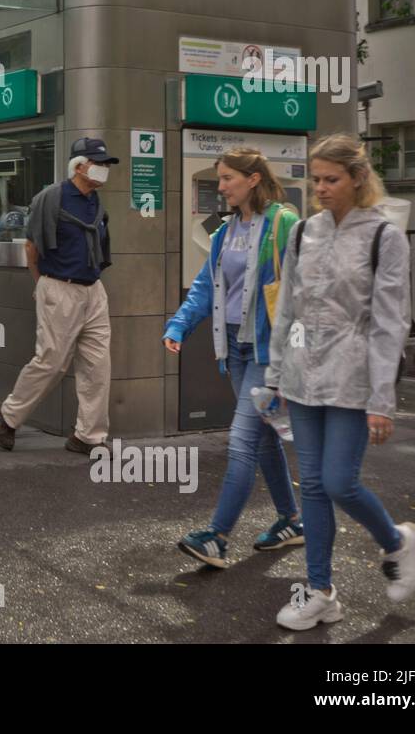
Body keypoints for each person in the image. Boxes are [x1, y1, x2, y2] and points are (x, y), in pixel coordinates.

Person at [267, 134, 415, 631]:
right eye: (315, 179)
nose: (321, 188)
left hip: (353, 376)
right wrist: (273, 374)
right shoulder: (302, 232)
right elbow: (286, 306)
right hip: (301, 373)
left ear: (358, 178)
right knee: (311, 485)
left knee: (338, 481)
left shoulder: (384, 236)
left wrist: (382, 399)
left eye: (331, 179)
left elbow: (390, 322)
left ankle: (396, 542)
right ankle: (320, 592)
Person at [162, 147, 303, 568]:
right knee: (262, 441)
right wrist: (178, 326)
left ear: (253, 179)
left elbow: (305, 287)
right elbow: (206, 287)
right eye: (220, 179)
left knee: (242, 442)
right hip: (236, 351)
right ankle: (292, 521)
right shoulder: (225, 233)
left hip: (267, 352)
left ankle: (218, 537)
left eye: (227, 179)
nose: (220, 186)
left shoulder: (283, 223)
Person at [0, 137, 117, 454]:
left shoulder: (96, 203)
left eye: (105, 164)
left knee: (97, 366)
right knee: (52, 362)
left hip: (93, 289)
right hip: (59, 286)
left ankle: (89, 435)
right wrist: (42, 284)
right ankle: (8, 416)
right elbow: (32, 247)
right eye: (98, 163)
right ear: (79, 166)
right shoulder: (52, 198)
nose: (104, 169)